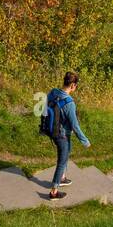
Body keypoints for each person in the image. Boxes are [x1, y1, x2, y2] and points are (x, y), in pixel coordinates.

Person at [44, 72, 91, 202]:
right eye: (76, 86)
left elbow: (43, 108)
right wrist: (85, 141)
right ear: (73, 85)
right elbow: (75, 126)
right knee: (62, 161)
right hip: (62, 135)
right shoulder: (69, 103)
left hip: (52, 131)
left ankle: (62, 178)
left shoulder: (53, 92)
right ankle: (54, 192)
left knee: (65, 153)